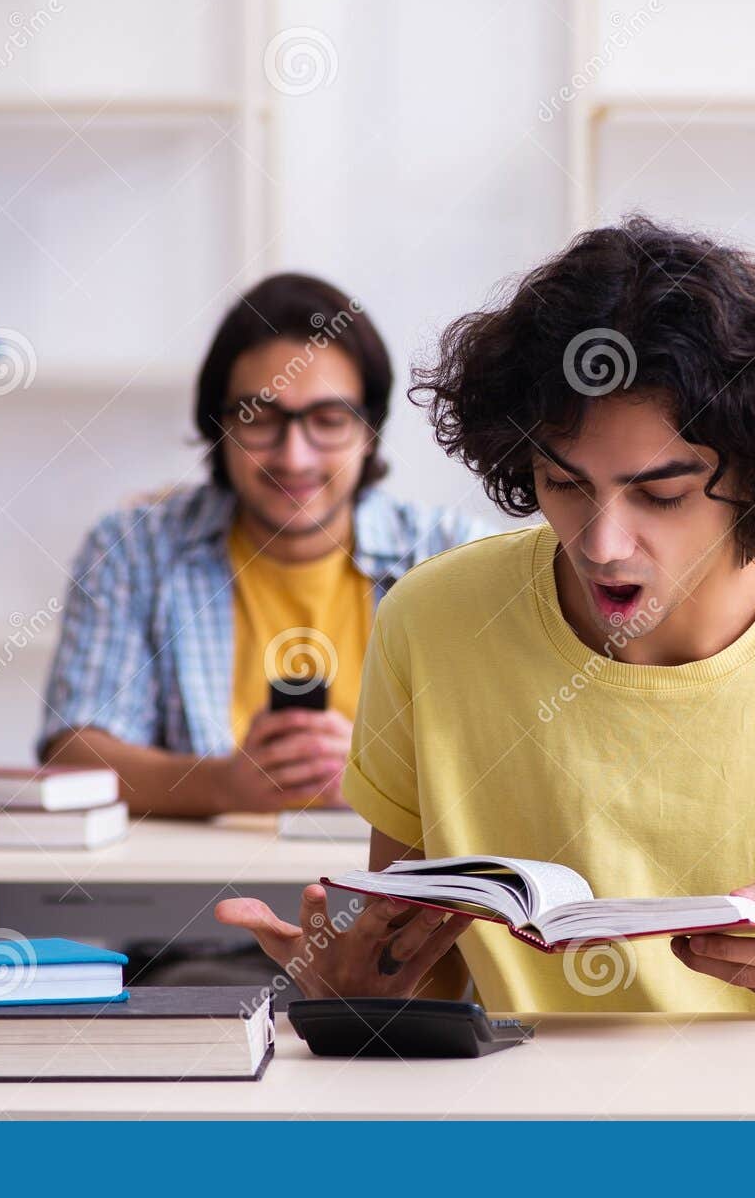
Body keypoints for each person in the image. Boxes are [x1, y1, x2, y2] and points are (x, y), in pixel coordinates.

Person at [217, 217, 755, 1015]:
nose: (603, 542)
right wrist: (360, 994)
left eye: (663, 492)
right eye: (564, 483)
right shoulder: (431, 621)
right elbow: (429, 978)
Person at [39, 273, 488, 818]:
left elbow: (518, 755)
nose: (294, 458)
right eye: (259, 419)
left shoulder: (456, 556)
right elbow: (74, 757)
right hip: (192, 887)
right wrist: (221, 785)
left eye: (328, 421)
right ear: (218, 428)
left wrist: (385, 774)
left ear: (369, 431)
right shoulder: (133, 549)